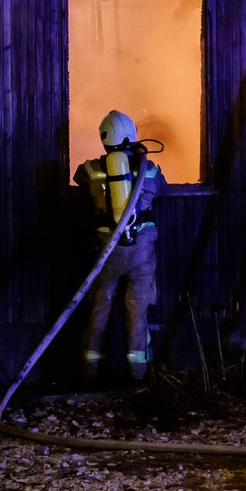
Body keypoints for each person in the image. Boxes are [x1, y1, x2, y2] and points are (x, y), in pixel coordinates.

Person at [74, 110, 167, 383]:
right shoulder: (148, 169)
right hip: (141, 251)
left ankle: (90, 373)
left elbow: (80, 178)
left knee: (99, 309)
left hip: (107, 253)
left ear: (103, 137)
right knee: (137, 312)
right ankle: (137, 375)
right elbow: (163, 189)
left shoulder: (92, 169)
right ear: (132, 135)